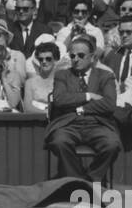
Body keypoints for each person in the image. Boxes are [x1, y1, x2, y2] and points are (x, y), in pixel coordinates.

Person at [41, 34, 121, 181]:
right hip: (68, 124)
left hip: (97, 124)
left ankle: (90, 179)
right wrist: (88, 96)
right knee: (59, 142)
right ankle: (77, 180)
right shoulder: (62, 75)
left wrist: (81, 109)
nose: (75, 59)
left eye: (81, 55)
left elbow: (109, 104)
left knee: (112, 144)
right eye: (72, 55)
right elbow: (59, 99)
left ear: (91, 57)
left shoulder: (105, 76)